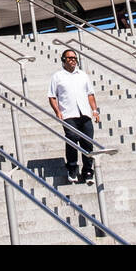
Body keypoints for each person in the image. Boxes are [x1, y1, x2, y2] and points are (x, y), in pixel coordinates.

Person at [47, 48, 101, 184]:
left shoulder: (83, 75)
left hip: (85, 113)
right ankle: (72, 168)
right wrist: (57, 112)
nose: (73, 60)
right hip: (68, 114)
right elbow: (52, 96)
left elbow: (90, 94)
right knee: (72, 138)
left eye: (74, 58)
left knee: (88, 142)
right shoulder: (57, 76)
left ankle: (88, 171)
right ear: (63, 60)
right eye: (70, 58)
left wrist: (95, 110)